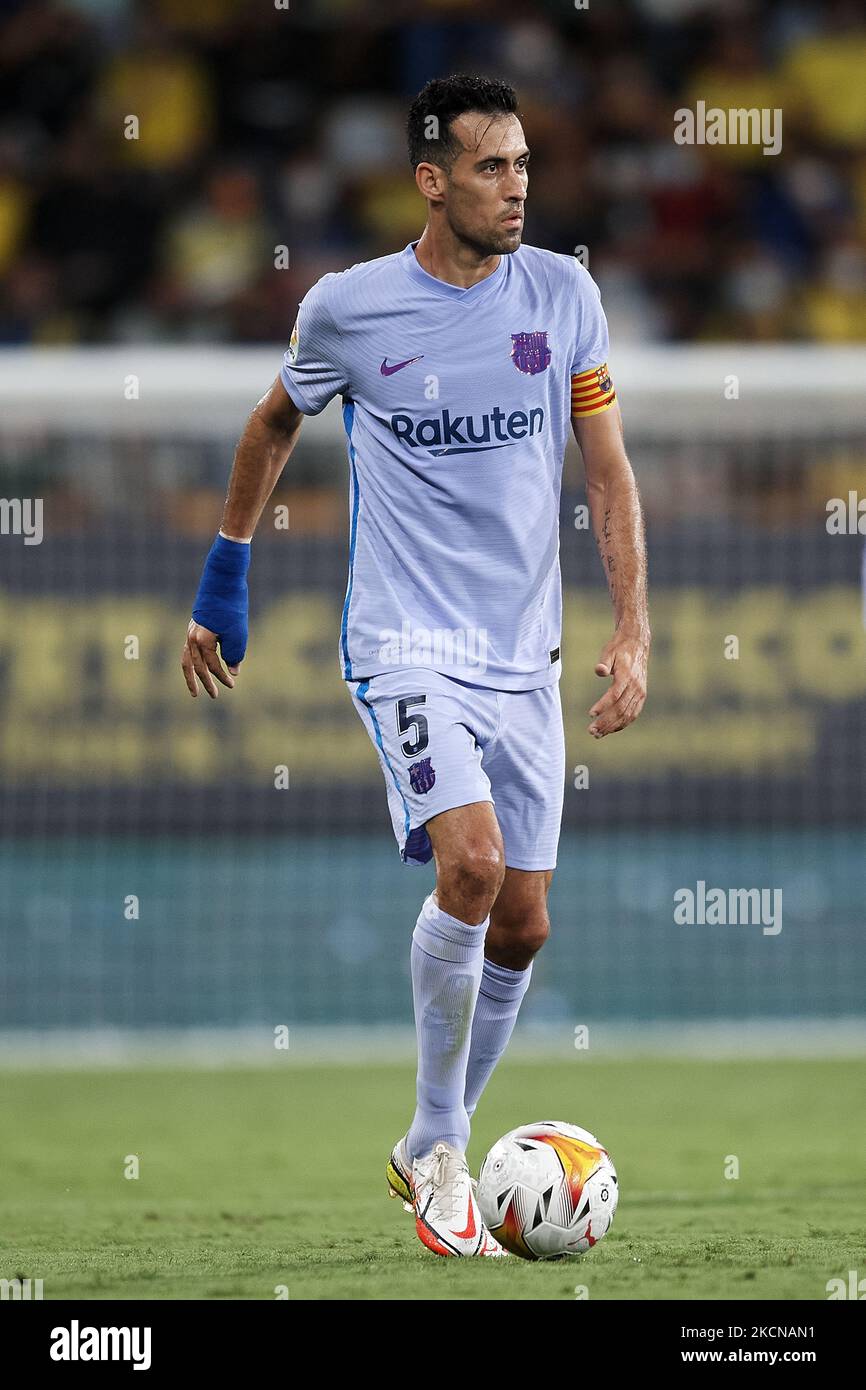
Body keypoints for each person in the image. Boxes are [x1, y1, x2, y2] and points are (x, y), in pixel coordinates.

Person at [182, 73, 650, 1258]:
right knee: (474, 868)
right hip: (406, 643)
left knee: (527, 923)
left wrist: (632, 626)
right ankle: (440, 1143)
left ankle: (428, 1138)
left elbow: (604, 470)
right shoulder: (351, 308)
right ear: (431, 180)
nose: (518, 188)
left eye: (526, 165)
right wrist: (223, 577)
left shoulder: (564, 295)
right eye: (492, 168)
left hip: (521, 654)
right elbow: (272, 422)